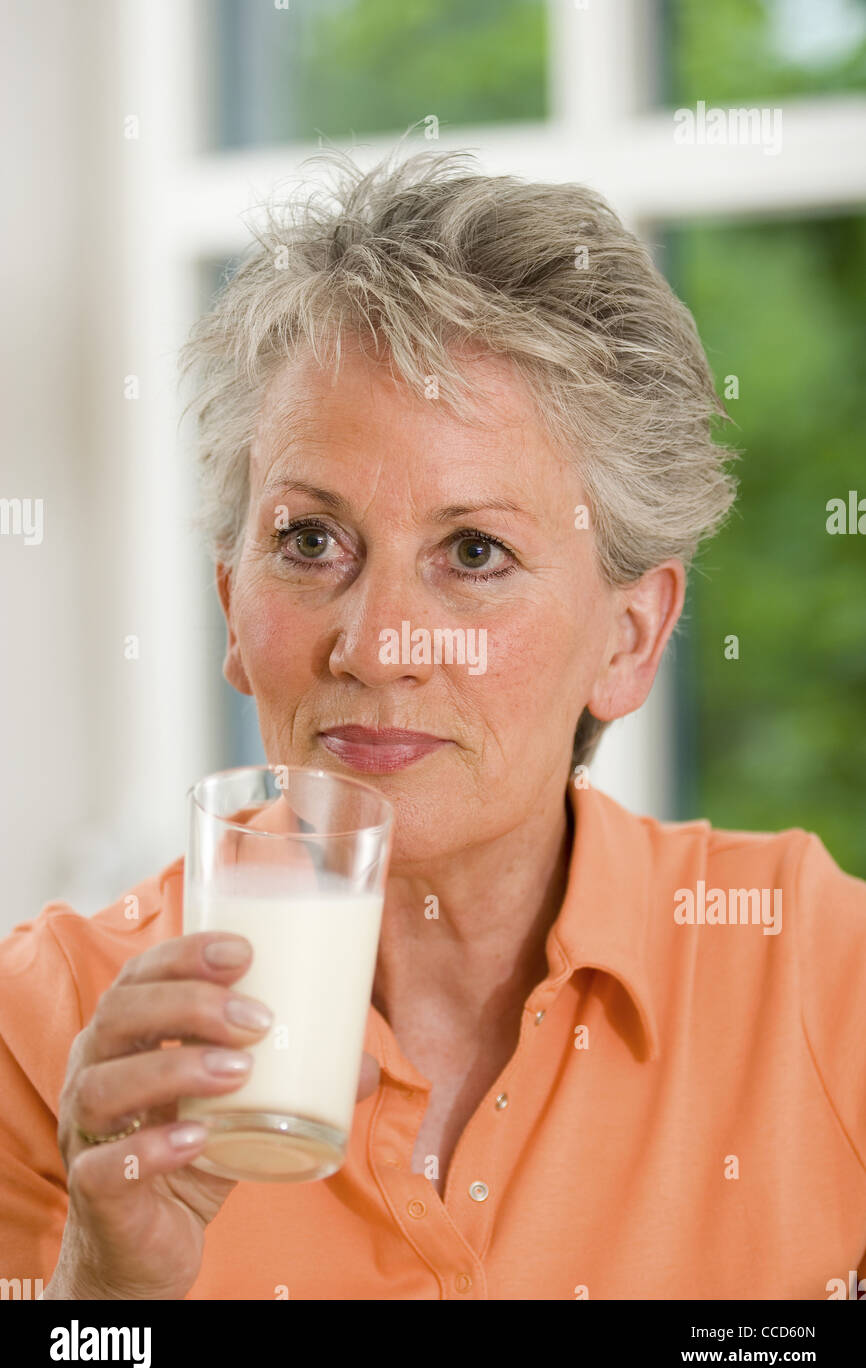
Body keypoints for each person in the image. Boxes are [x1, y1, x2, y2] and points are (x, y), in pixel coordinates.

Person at [2, 147, 864, 1301]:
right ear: (226, 601)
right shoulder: (47, 1026)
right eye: (310, 540)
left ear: (628, 638)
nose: (376, 645)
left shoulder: (816, 976)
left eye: (473, 553)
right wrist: (101, 1303)